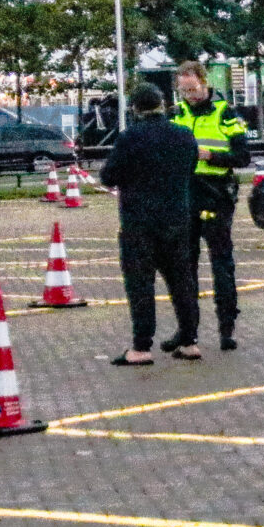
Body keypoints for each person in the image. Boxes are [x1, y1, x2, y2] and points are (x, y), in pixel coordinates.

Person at [100, 84, 203, 365]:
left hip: (139, 222)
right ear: (163, 104)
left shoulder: (129, 138)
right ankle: (189, 341)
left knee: (141, 284)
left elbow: (108, 176)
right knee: (182, 280)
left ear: (134, 108)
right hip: (178, 219)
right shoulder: (184, 135)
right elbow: (191, 166)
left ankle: (141, 347)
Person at [170, 60, 252, 351]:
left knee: (221, 263)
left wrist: (210, 156)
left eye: (192, 89)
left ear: (204, 83)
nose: (189, 96)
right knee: (183, 266)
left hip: (216, 193)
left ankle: (226, 328)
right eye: (183, 91)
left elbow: (243, 157)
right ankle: (187, 332)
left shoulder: (225, 113)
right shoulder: (176, 115)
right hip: (185, 194)